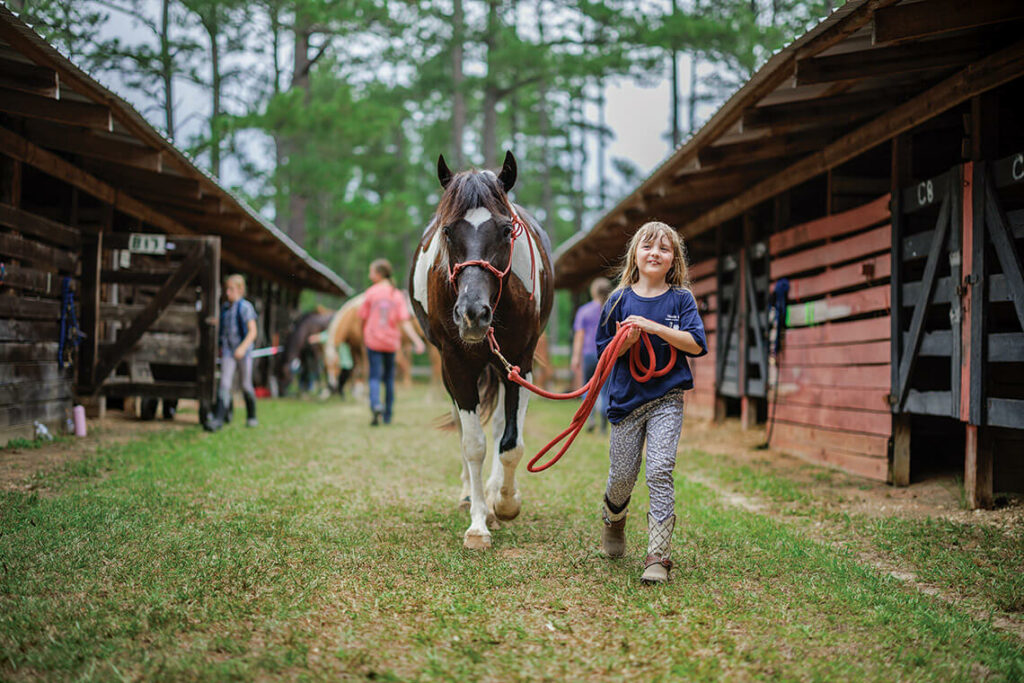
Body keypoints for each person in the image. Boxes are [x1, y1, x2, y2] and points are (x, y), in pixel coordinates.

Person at [594, 221, 707, 584]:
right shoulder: (618, 299)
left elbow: (696, 343)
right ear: (635, 255)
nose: (655, 253)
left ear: (674, 259)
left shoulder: (681, 299)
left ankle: (658, 556)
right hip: (627, 400)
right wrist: (626, 341)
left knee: (659, 469)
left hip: (667, 399)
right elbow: (604, 353)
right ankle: (614, 519)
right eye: (647, 247)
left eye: (664, 249)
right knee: (623, 477)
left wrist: (655, 328)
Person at [359, 259, 425, 425]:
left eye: (371, 271)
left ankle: (375, 405)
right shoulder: (396, 295)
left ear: (379, 274)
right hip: (390, 343)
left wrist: (363, 335)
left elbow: (362, 318)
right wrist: (418, 341)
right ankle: (387, 415)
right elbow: (404, 322)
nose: (369, 275)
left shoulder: (371, 293)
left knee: (374, 376)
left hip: (373, 340)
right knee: (389, 378)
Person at [205, 274, 259, 432]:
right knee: (224, 384)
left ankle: (252, 416)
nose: (227, 293)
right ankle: (218, 419)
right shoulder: (225, 308)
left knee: (245, 384)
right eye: (226, 289)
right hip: (229, 352)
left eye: (231, 289)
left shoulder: (245, 307)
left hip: (244, 352)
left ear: (240, 290)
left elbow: (253, 332)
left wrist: (242, 348)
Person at [570, 277, 612, 433]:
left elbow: (579, 336)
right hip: (607, 355)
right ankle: (603, 422)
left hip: (588, 354)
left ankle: (591, 418)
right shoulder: (612, 310)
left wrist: (575, 357)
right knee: (605, 389)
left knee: (587, 388)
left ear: (593, 291)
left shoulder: (584, 311)